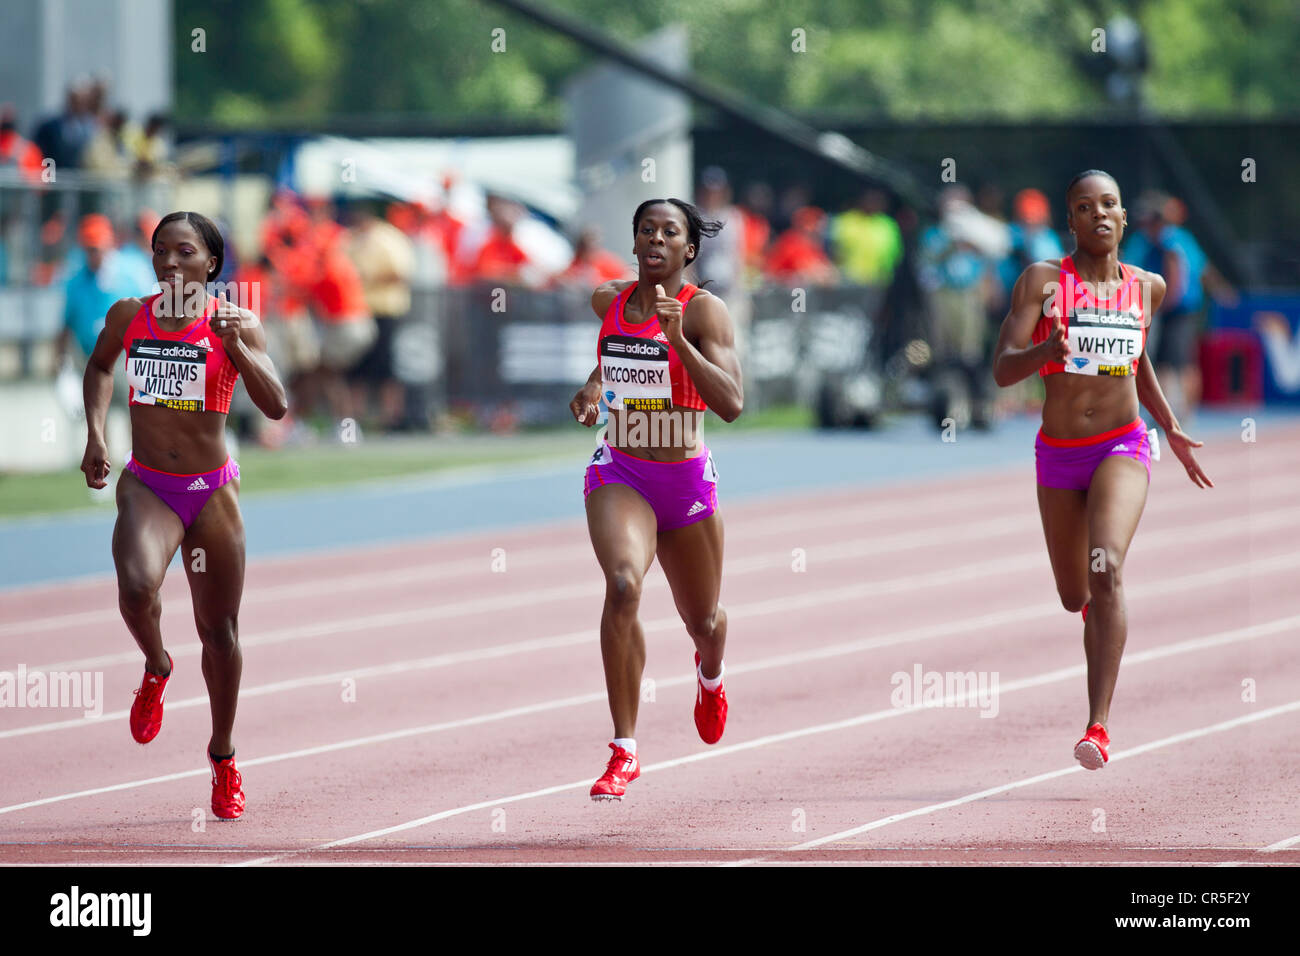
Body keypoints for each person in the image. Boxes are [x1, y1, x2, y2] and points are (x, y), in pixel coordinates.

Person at [991, 171, 1212, 770]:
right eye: (1085, 207)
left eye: (1109, 204)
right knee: (1074, 594)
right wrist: (1045, 352)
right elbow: (1002, 369)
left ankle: (1098, 726)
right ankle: (1094, 611)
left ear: (1123, 217)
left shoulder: (1148, 288)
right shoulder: (1042, 282)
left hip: (1123, 445)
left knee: (1106, 566)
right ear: (1070, 221)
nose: (1099, 215)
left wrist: (1168, 426)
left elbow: (1137, 365)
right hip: (1059, 454)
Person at [80, 211, 288, 819]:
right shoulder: (129, 315)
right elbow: (98, 367)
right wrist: (96, 436)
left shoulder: (238, 321)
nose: (170, 263)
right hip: (148, 483)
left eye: (185, 253)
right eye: (160, 251)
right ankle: (156, 663)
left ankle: (223, 758)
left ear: (211, 265)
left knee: (220, 635)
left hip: (211, 492)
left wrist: (236, 346)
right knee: (136, 588)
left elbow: (276, 406)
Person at [569, 198, 743, 801]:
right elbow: (612, 364)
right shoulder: (608, 301)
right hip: (622, 471)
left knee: (705, 622)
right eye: (646, 229)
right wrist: (593, 389)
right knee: (622, 586)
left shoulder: (705, 313)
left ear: (689, 250)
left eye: (670, 232)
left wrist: (679, 343)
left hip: (686, 482)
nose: (656, 239)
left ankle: (711, 674)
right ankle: (625, 748)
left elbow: (732, 404)